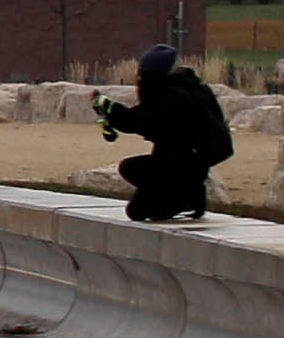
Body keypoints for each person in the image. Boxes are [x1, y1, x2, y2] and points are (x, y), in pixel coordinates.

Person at [100, 42, 233, 222]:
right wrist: (111, 112)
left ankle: (186, 195)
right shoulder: (190, 89)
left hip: (182, 164)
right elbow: (145, 118)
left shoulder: (176, 96)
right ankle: (188, 197)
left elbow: (142, 121)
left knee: (130, 170)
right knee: (140, 211)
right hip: (187, 162)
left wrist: (111, 109)